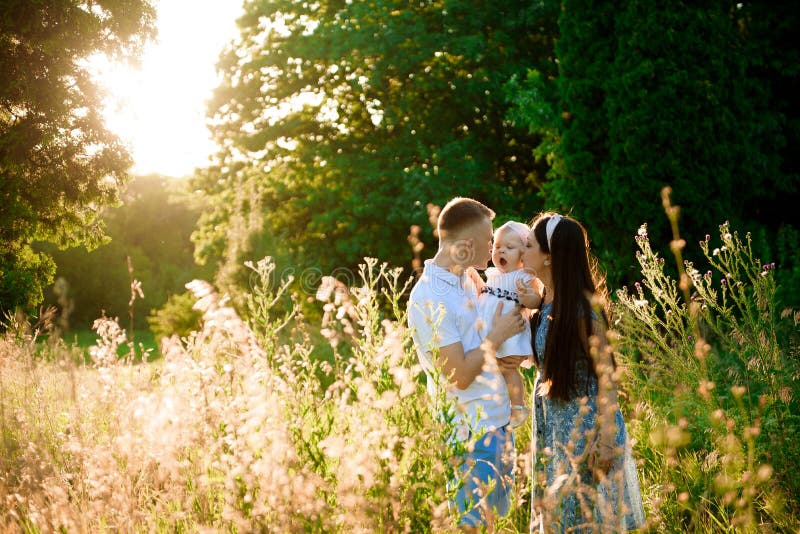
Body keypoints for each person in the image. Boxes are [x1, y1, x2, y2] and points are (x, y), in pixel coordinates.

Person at [407, 197, 528, 530]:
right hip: (471, 437)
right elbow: (458, 375)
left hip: (500, 425)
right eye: (488, 241)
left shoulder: (466, 278)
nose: (493, 248)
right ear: (465, 245)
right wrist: (497, 336)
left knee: (505, 526)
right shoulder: (430, 296)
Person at [521, 212, 645, 533]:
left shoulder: (581, 310)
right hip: (556, 428)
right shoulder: (543, 302)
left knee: (590, 520)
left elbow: (607, 375)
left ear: (550, 256)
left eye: (530, 244)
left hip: (586, 431)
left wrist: (606, 441)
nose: (523, 249)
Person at [469, 221, 541, 428]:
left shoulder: (524, 276)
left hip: (512, 334)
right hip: (494, 332)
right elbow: (485, 292)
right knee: (496, 368)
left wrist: (529, 297)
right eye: (497, 247)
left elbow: (535, 302)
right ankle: (499, 404)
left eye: (509, 248)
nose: (501, 251)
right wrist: (474, 278)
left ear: (523, 254)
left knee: (508, 368)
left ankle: (518, 406)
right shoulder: (493, 275)